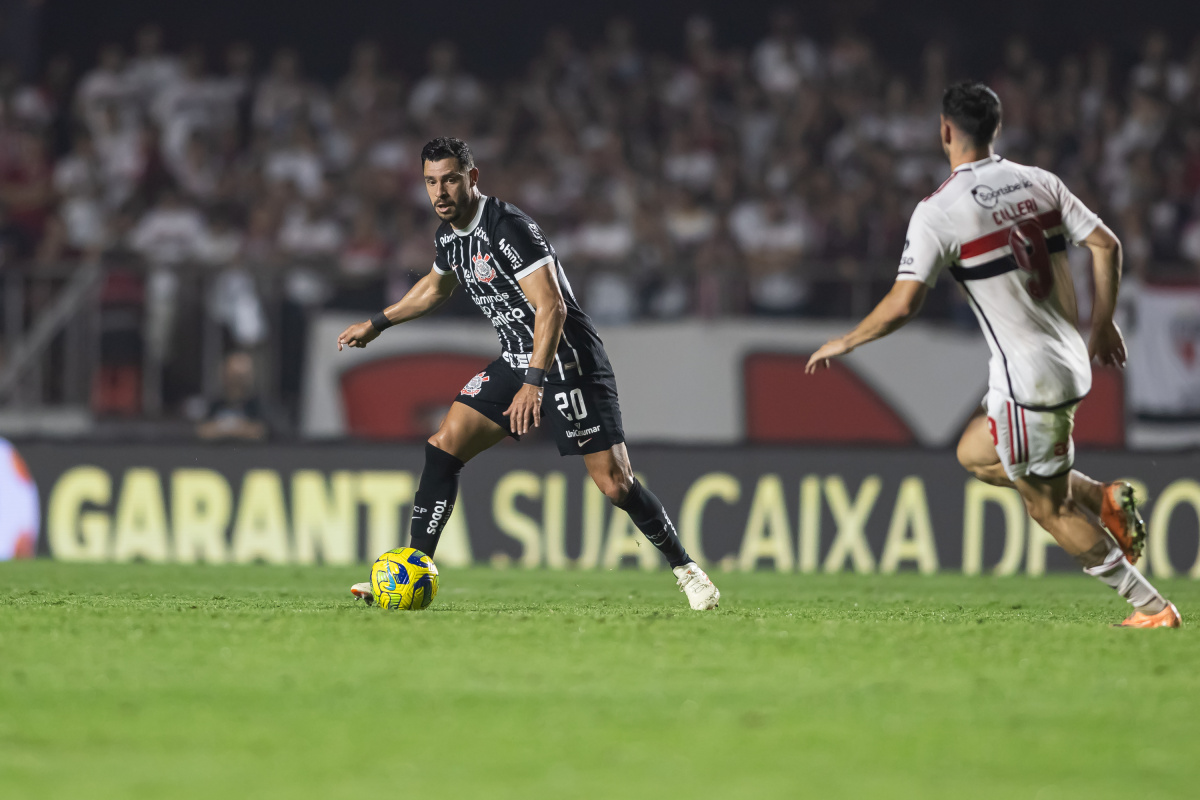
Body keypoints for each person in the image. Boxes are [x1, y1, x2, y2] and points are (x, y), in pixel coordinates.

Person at [806, 81, 1180, 629]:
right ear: (995, 129)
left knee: (1046, 508)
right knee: (975, 452)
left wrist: (847, 340)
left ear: (944, 131)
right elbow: (1108, 245)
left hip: (1029, 378)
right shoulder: (1038, 181)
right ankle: (1102, 496)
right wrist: (1102, 326)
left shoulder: (939, 210)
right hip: (1067, 359)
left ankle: (1153, 607)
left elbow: (903, 303)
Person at [338, 137, 719, 610]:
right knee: (443, 447)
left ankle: (687, 568)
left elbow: (551, 305)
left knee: (615, 483)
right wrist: (377, 323)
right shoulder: (449, 236)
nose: (441, 192)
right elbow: (433, 290)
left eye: (451, 180)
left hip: (568, 362)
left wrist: (533, 384)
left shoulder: (507, 227)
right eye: (431, 182)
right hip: (517, 359)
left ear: (472, 178)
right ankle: (409, 570)